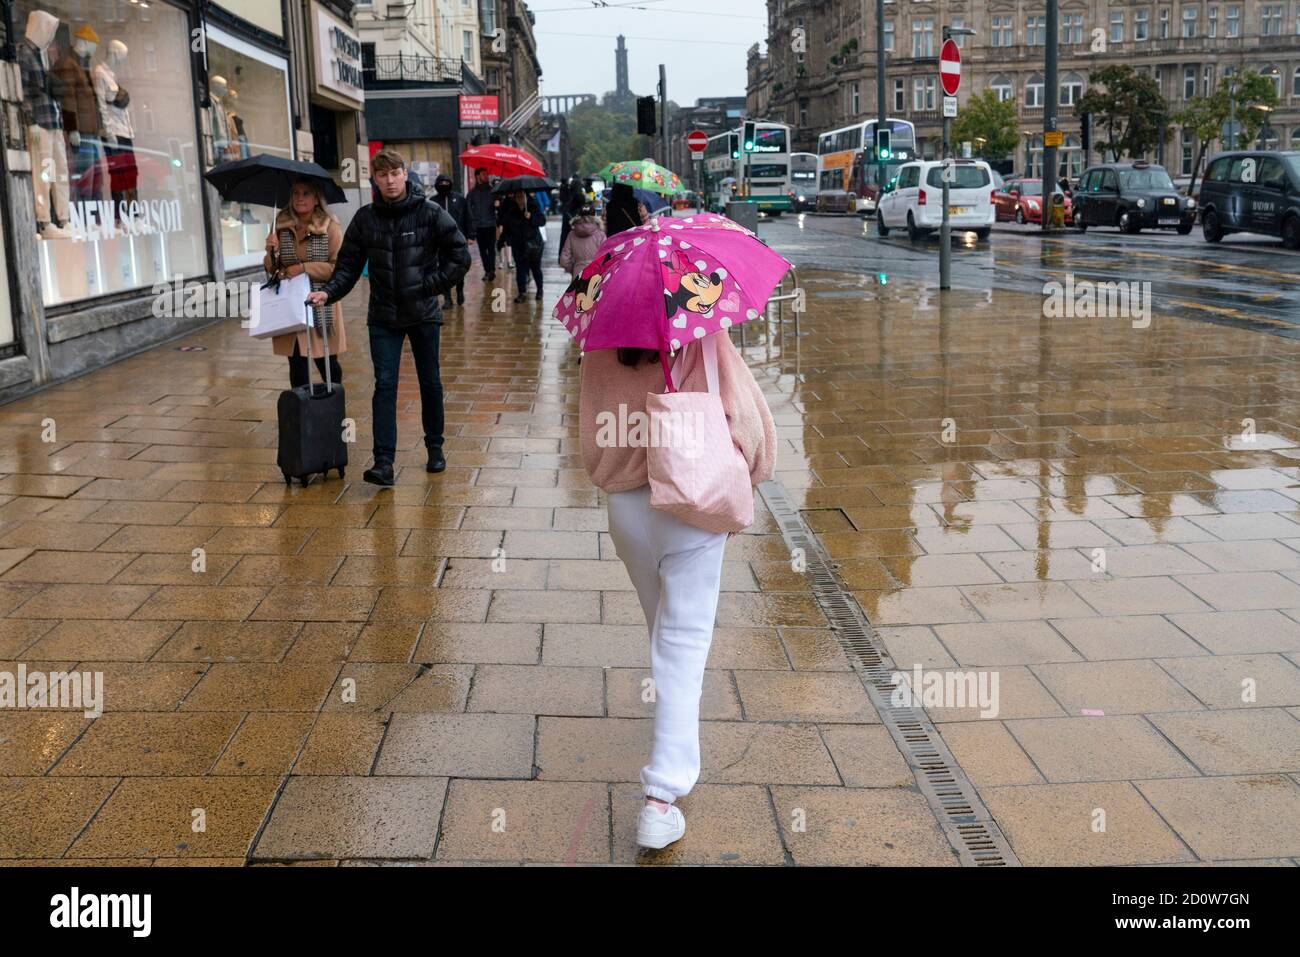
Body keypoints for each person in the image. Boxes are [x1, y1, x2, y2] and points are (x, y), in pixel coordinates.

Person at [580, 336, 776, 849]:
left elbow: (591, 433)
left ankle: (672, 725)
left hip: (626, 510)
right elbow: (748, 420)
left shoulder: (600, 345)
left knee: (663, 632)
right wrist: (748, 475)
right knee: (682, 644)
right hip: (690, 500)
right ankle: (661, 798)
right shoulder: (699, 330)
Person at [307, 148, 470, 486]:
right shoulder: (366, 219)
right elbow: (348, 266)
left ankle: (435, 448)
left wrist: (430, 286)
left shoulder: (430, 213)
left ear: (405, 175)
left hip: (423, 314)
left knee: (431, 382)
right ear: (375, 180)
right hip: (382, 316)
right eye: (383, 175)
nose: (390, 180)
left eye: (395, 174)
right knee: (385, 386)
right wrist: (329, 292)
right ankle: (383, 463)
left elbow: (460, 255)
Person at [264, 177, 345, 388]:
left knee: (326, 360)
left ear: (317, 198)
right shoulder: (280, 225)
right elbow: (272, 270)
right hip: (291, 302)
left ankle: (334, 404)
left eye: (306, 193)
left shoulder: (330, 227)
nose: (299, 198)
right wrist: (270, 251)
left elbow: (338, 268)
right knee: (297, 361)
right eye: (295, 193)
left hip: (320, 302)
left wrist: (303, 269)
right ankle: (300, 411)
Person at [497, 189, 545, 303]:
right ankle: (521, 292)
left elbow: (542, 221)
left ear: (526, 196)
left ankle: (540, 290)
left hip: (533, 244)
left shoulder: (533, 206)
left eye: (522, 196)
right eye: (517, 196)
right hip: (518, 245)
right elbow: (506, 227)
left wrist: (531, 218)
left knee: (535, 268)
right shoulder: (511, 211)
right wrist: (501, 242)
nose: (520, 198)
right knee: (521, 269)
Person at [432, 172, 473, 308]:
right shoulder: (432, 201)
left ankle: (460, 290)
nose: (444, 186)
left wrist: (471, 235)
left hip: (458, 241)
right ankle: (447, 298)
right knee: (443, 270)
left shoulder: (459, 199)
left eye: (446, 183)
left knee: (459, 268)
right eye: (441, 184)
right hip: (440, 242)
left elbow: (468, 217)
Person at [466, 166, 498, 281]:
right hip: (479, 226)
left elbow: (500, 207)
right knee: (483, 250)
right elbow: (468, 211)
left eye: (487, 174)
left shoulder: (493, 191)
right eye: (484, 174)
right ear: (477, 176)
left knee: (491, 249)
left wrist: (498, 204)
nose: (486, 176)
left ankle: (492, 270)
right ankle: (487, 271)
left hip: (491, 224)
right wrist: (471, 228)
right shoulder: (472, 193)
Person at [559, 203, 606, 279]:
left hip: (578, 272)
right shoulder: (600, 234)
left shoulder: (572, 234)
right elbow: (606, 255)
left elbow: (564, 259)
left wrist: (573, 269)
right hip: (596, 274)